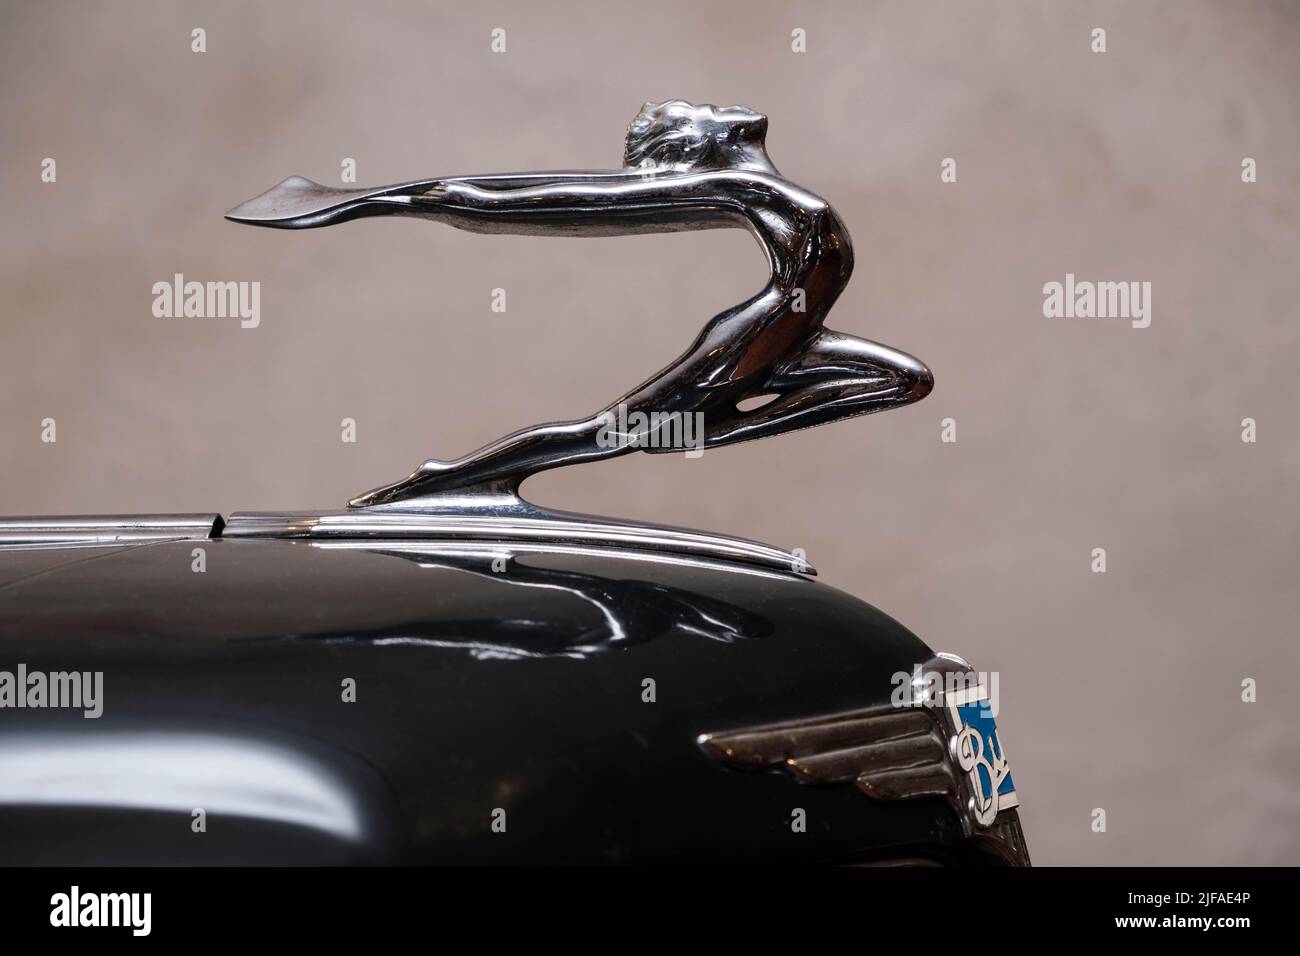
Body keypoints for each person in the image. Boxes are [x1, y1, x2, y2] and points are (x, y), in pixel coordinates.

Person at [227, 100, 933, 507]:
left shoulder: (764, 182)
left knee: (905, 380)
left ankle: (703, 431)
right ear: (700, 142)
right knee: (603, 433)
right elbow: (542, 200)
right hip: (759, 334)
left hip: (795, 341)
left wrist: (717, 435)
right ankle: (448, 481)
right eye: (708, 112)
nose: (727, 110)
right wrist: (389, 199)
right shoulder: (744, 191)